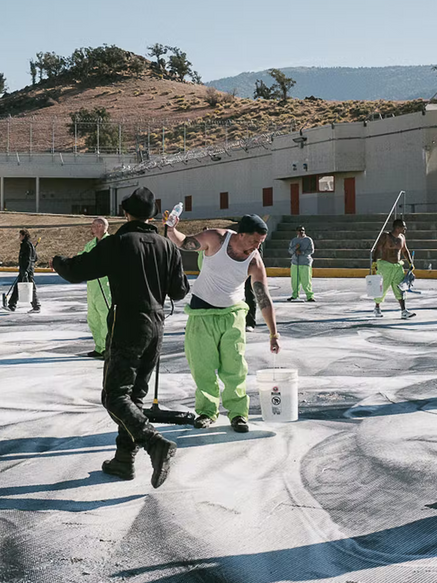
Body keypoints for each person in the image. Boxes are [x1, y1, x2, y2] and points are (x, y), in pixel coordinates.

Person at [52, 187, 188, 487]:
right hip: (156, 325)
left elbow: (78, 271)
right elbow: (180, 291)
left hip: (128, 322)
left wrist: (57, 261)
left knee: (114, 395)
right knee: (134, 396)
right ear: (152, 216)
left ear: (126, 213)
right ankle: (124, 460)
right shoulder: (167, 247)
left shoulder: (120, 242)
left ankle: (154, 443)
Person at [168, 214, 281, 432]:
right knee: (203, 367)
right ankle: (207, 412)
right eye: (254, 241)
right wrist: (172, 229)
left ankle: (238, 414)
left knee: (235, 368)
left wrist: (273, 333)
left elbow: (263, 297)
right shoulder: (216, 239)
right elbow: (185, 243)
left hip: (232, 316)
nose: (257, 246)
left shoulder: (255, 260)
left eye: (260, 243)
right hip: (202, 314)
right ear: (241, 234)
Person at [78, 218, 111, 358]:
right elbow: (81, 259)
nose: (92, 228)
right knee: (93, 318)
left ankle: (107, 348)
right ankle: (99, 347)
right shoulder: (90, 245)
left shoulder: (110, 243)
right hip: (92, 287)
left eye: (95, 226)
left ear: (102, 226)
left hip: (104, 287)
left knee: (106, 318)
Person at [372, 218, 416, 319]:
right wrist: (374, 262)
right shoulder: (385, 236)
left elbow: (405, 251)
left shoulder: (402, 237)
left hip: (397, 266)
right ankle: (377, 307)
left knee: (400, 288)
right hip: (385, 265)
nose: (405, 229)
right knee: (382, 287)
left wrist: (410, 263)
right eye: (403, 227)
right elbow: (377, 249)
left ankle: (404, 310)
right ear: (397, 228)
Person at [7, 229, 40, 313]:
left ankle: (36, 306)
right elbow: (35, 258)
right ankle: (12, 305)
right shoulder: (29, 245)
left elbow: (29, 259)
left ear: (24, 235)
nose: (19, 237)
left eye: (20, 235)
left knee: (30, 287)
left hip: (26, 270)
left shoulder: (27, 245)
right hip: (25, 269)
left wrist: (26, 270)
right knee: (18, 287)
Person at [287, 226, 315, 302]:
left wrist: (302, 252)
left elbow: (311, 250)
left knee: (306, 280)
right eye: (300, 231)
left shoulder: (308, 240)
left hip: (305, 262)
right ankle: (295, 295)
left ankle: (309, 296)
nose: (301, 232)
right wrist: (295, 248)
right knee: (295, 280)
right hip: (295, 262)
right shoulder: (294, 240)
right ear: (297, 232)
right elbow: (290, 251)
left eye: (303, 230)